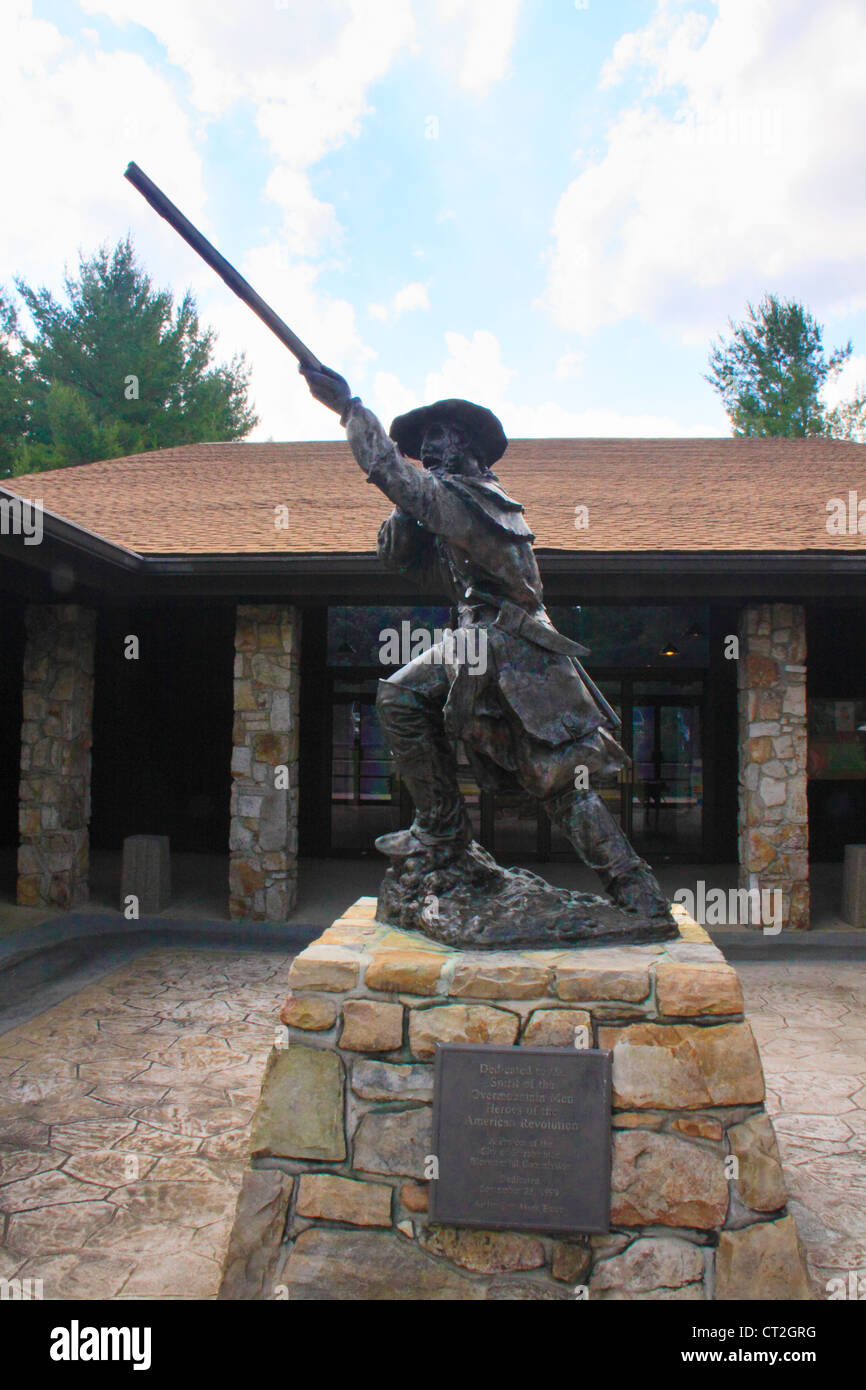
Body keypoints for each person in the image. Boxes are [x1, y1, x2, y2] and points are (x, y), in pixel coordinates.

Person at [300, 362, 672, 924]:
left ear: (471, 447)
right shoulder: (464, 509)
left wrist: (349, 408)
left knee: (556, 781)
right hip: (495, 646)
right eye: (422, 443)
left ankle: (456, 837)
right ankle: (452, 838)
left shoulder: (470, 500)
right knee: (545, 777)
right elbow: (401, 558)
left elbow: (389, 470)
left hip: (508, 646)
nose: (428, 448)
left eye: (440, 438)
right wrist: (410, 501)